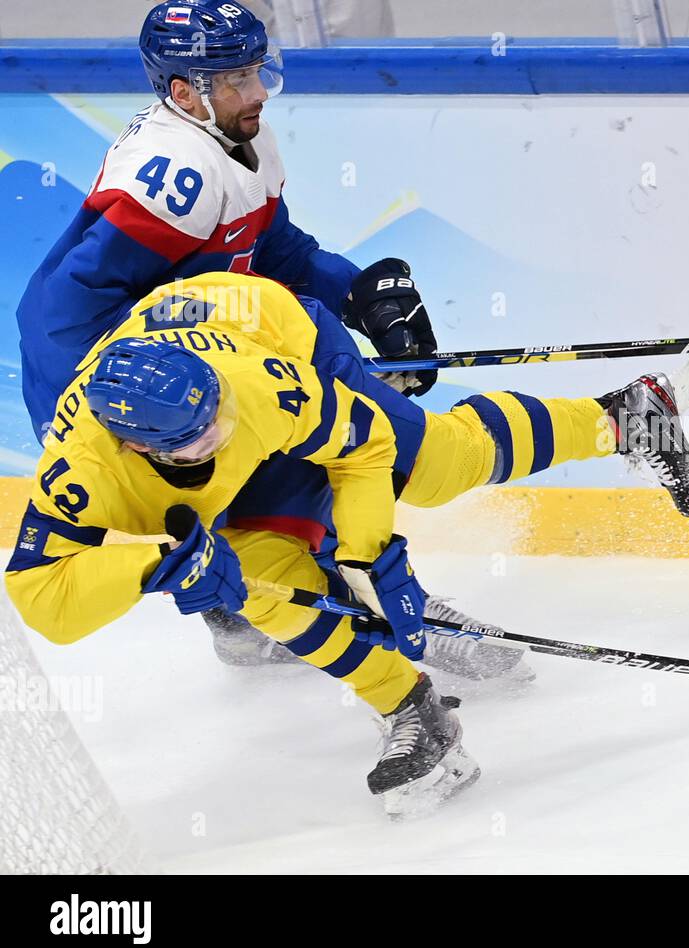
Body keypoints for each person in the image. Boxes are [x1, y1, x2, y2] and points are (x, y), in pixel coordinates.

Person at [3, 272, 689, 814]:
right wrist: (154, 566)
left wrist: (374, 555)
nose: (222, 435)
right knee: (262, 582)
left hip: (283, 332)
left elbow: (364, 447)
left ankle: (627, 417)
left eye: (217, 418)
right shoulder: (81, 469)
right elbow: (40, 599)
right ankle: (409, 704)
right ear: (135, 447)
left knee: (434, 466)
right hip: (189, 385)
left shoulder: (253, 392)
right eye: (199, 440)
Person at [15, 1, 445, 667]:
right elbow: (67, 309)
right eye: (234, 80)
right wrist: (120, 406)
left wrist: (361, 294)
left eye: (255, 72)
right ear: (183, 93)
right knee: (253, 463)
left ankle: (272, 617)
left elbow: (275, 251)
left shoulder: (239, 138)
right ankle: (312, 613)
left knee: (298, 442)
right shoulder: (173, 176)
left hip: (185, 345)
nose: (256, 94)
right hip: (85, 369)